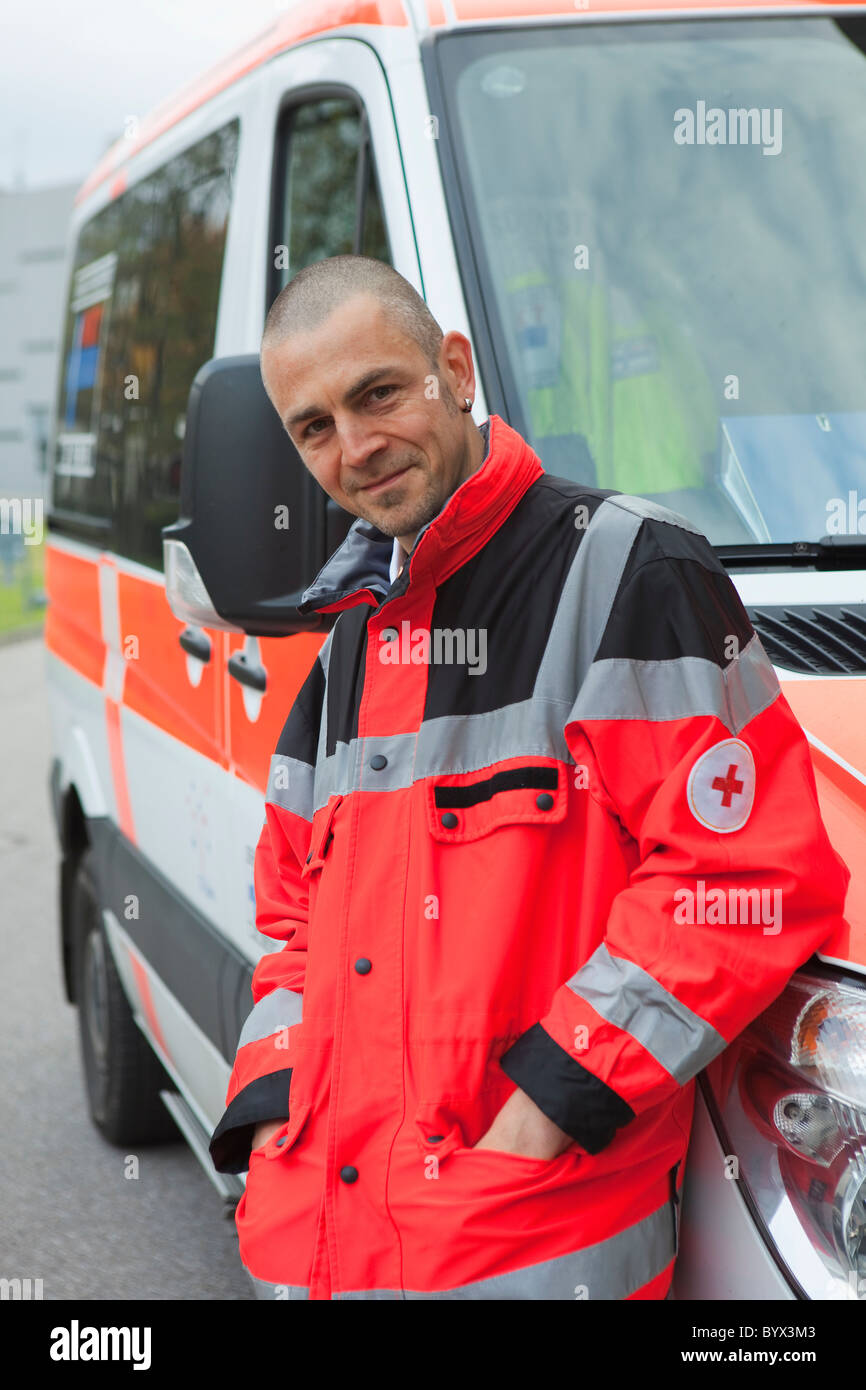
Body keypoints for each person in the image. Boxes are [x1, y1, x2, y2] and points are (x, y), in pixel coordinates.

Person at [208, 254, 849, 1301]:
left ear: (453, 370)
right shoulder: (344, 652)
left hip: (525, 1252)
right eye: (313, 426)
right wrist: (279, 1101)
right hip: (324, 1247)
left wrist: (548, 1102)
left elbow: (744, 879)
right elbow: (292, 925)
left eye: (377, 393)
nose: (355, 447)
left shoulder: (631, 572)